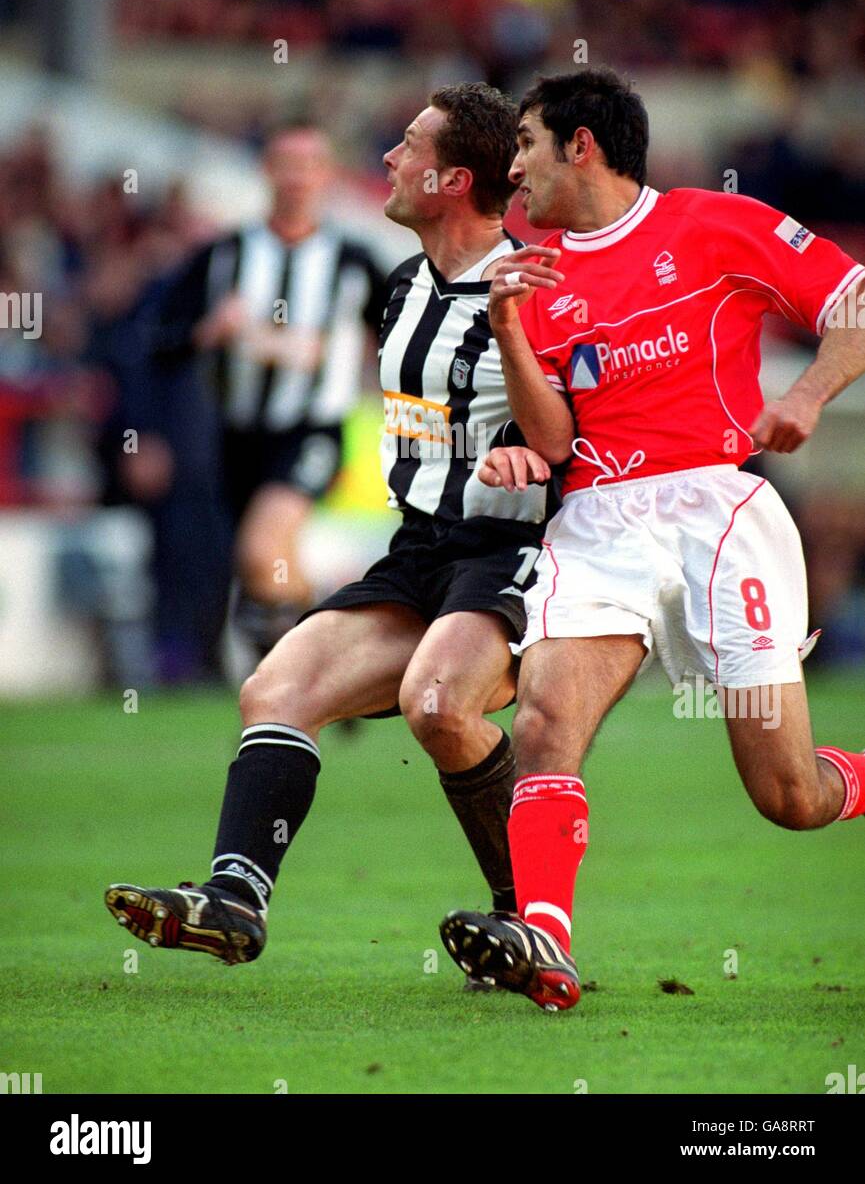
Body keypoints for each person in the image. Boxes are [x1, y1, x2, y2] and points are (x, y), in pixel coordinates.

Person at [104, 83, 559, 972]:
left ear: (452, 179)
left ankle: (534, 922)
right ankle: (233, 901)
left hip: (511, 554)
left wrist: (539, 458)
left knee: (438, 708)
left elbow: (589, 429)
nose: (388, 158)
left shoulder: (535, 288)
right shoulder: (396, 286)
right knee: (273, 692)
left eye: (408, 145)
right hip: (419, 551)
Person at [439, 67, 865, 1011]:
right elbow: (551, 442)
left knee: (788, 797)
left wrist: (803, 396)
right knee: (545, 723)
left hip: (718, 513)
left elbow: (853, 304)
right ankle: (545, 942)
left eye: (526, 145)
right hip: (596, 520)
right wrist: (505, 322)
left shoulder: (716, 224)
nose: (514, 169)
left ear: (580, 146)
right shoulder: (531, 273)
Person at [149, 124, 388, 658]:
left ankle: (302, 673)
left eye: (310, 164)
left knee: (261, 551)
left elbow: (397, 334)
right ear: (266, 171)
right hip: (238, 436)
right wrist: (206, 330)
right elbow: (159, 342)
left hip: (313, 430)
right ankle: (335, 652)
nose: (298, 177)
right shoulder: (225, 256)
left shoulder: (352, 259)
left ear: (327, 175)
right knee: (265, 565)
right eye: (286, 162)